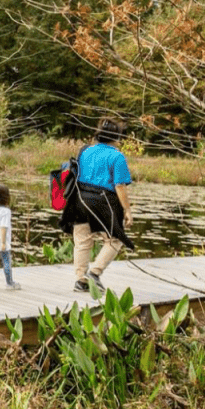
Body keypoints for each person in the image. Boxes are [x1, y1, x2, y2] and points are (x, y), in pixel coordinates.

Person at [61, 118, 135, 293]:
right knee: (115, 239)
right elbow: (119, 185)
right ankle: (94, 273)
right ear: (116, 137)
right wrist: (127, 210)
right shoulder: (116, 156)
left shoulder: (85, 151)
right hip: (104, 201)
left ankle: (80, 280)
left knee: (82, 240)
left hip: (80, 199)